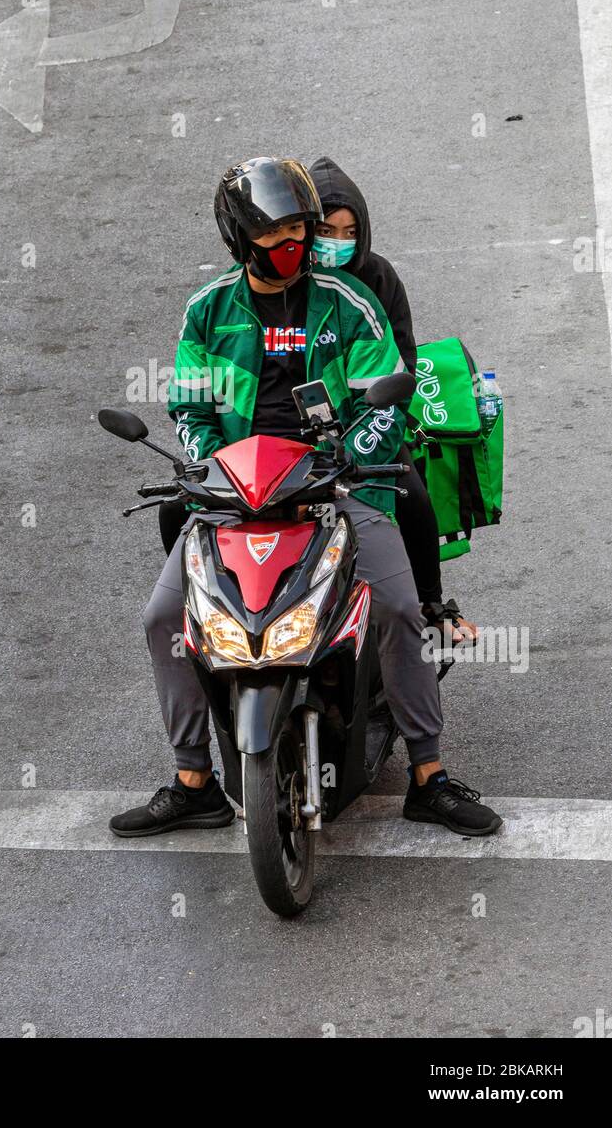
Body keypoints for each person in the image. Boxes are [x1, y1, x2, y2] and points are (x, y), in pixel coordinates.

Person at [110, 157, 502, 840]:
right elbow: (191, 407)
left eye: (299, 226)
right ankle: (194, 779)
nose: (292, 242)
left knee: (398, 609)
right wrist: (209, 463)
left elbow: (387, 399)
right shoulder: (207, 313)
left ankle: (428, 774)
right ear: (241, 237)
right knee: (164, 616)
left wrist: (353, 450)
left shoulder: (348, 305)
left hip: (337, 484)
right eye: (276, 229)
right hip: (238, 493)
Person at [308, 155, 477, 647]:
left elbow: (401, 359)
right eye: (325, 229)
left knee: (410, 496)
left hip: (368, 419)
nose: (336, 242)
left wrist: (361, 426)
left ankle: (431, 604)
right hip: (295, 433)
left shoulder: (379, 279)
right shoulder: (287, 286)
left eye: (347, 231)